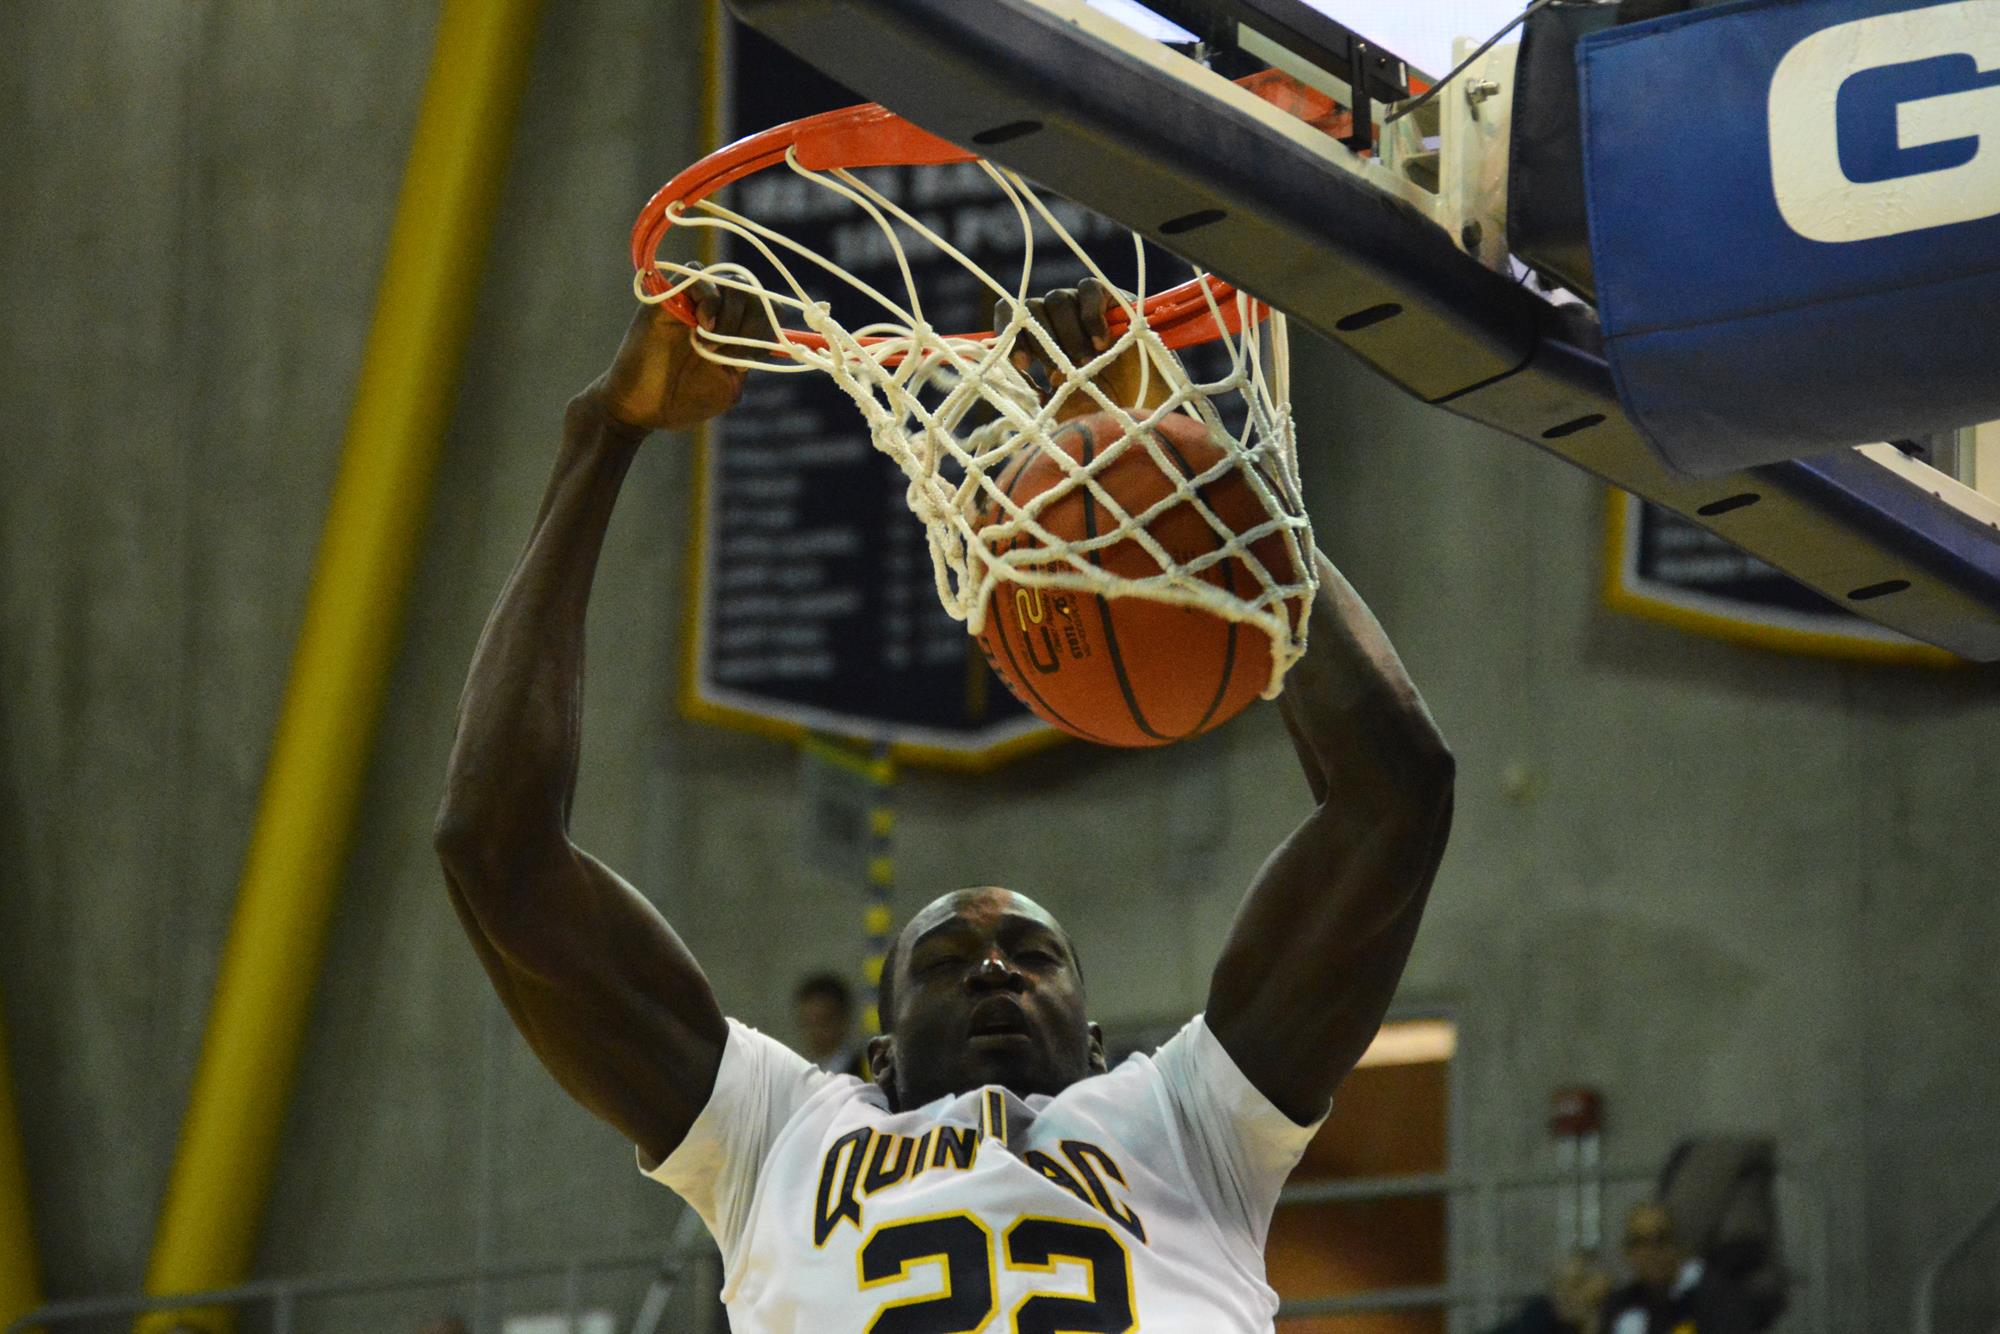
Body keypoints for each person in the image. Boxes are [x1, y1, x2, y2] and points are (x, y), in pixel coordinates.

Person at [434, 277, 1455, 1331]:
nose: (993, 966)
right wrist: (600, 435)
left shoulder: (1185, 1119)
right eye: (941, 963)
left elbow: (1396, 792)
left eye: (1030, 952)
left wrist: (1180, 468)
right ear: (875, 1061)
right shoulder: (778, 1131)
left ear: (1099, 1046)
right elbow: (493, 844)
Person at [1603, 1201, 1759, 1334]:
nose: (1651, 1252)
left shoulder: (1716, 1301)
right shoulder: (1620, 1305)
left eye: (1661, 1240)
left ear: (1678, 1248)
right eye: (1640, 1242)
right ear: (1628, 1253)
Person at [1483, 1251, 1616, 1334]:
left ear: (1603, 1284)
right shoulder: (1539, 1319)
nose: (1563, 1294)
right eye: (1557, 1285)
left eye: (1576, 1284)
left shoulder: (1625, 1320)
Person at [792, 971, 865, 1076]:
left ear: (844, 1021)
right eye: (808, 1023)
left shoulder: (867, 1073)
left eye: (823, 1023)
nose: (815, 1032)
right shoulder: (798, 1076)